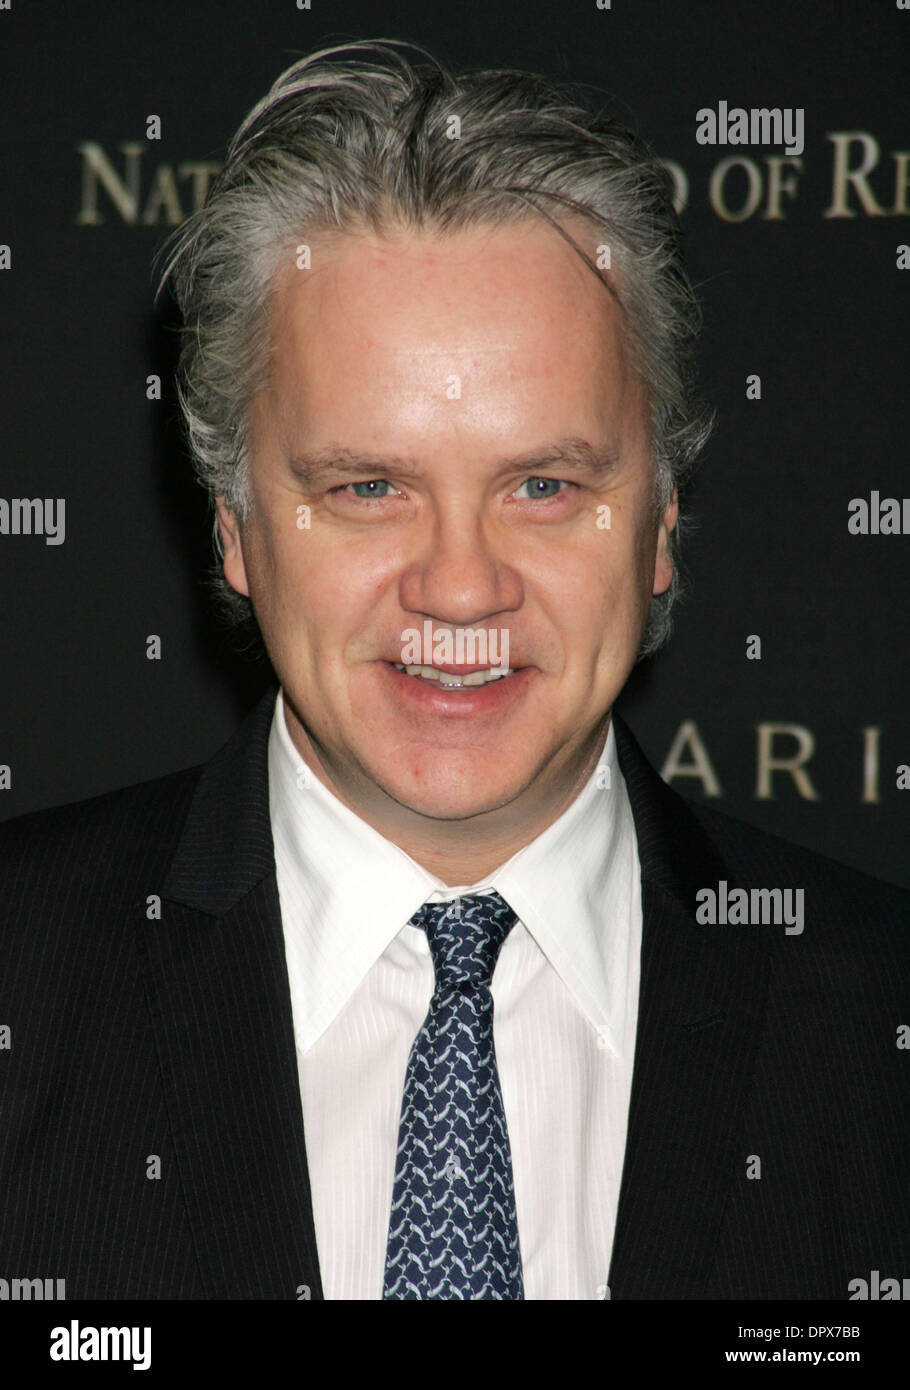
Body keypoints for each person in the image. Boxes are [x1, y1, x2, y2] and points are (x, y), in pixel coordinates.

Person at [1, 39, 907, 1302]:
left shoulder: (878, 1024)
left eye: (544, 485)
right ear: (233, 525)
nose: (461, 584)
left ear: (658, 523)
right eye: (367, 487)